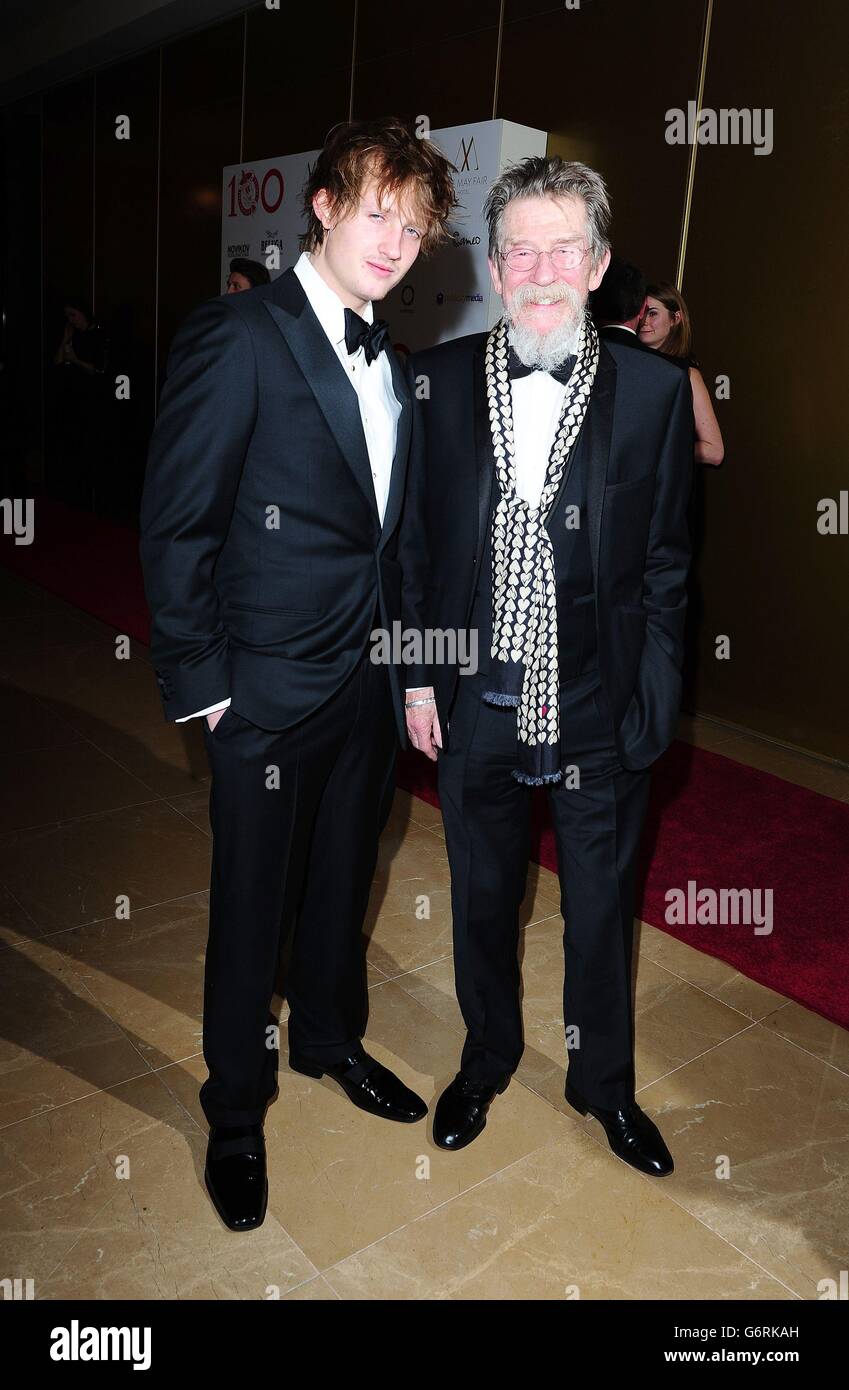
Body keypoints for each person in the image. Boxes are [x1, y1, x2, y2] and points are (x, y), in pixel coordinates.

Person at [140, 117, 456, 1232]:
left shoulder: (398, 368)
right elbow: (175, 526)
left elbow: (403, 543)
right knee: (250, 908)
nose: (394, 241)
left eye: (413, 229)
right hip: (262, 695)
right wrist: (207, 687)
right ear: (322, 206)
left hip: (370, 689)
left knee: (342, 884)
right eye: (378, 212)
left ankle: (326, 1039)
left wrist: (416, 678)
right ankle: (235, 1107)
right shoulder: (241, 336)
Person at [400, 156, 694, 1176]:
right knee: (482, 891)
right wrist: (421, 676)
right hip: (475, 693)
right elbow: (417, 553)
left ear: (600, 262)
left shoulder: (655, 393)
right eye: (518, 247)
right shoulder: (432, 385)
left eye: (562, 246)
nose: (540, 268)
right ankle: (485, 1058)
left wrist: (655, 701)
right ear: (490, 264)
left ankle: (602, 1084)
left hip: (595, 696)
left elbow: (665, 566)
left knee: (600, 905)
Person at [639, 281, 724, 466]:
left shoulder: (688, 374)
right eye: (641, 312)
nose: (644, 320)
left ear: (675, 318)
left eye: (652, 313)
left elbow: (714, 451)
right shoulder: (631, 365)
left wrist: (658, 449)